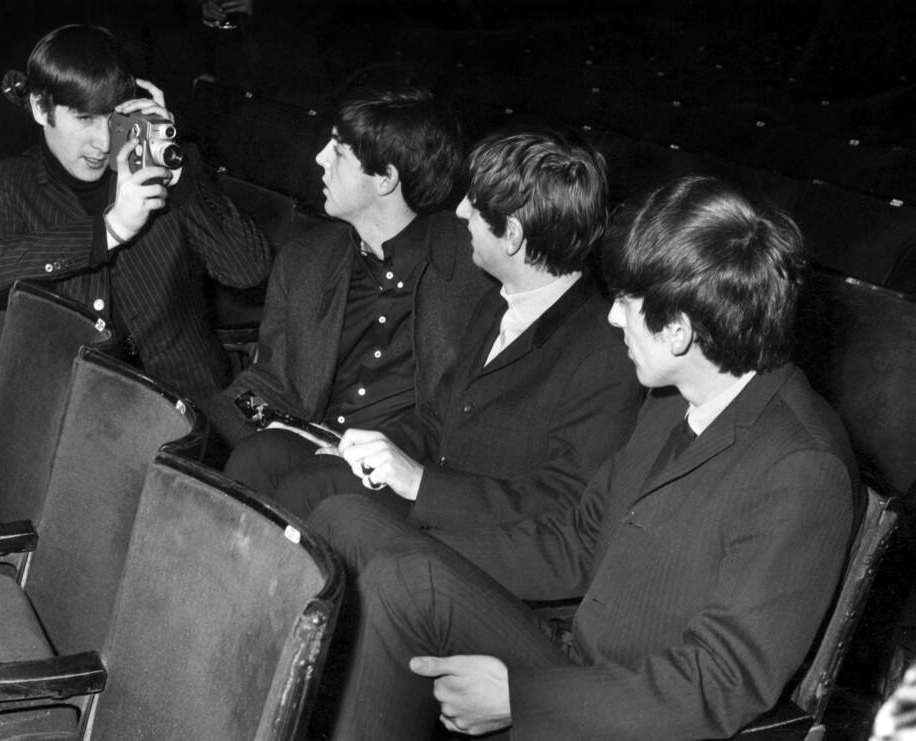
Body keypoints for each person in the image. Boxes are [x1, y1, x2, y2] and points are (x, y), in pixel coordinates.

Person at [307, 175, 861, 740]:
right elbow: (577, 539)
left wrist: (518, 699)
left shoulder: (802, 466)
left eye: (626, 303)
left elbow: (719, 683)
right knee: (347, 521)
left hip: (623, 706)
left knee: (406, 583)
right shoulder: (673, 401)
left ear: (678, 332)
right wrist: (411, 541)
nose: (612, 318)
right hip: (574, 652)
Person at [230, 128, 641, 528]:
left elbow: (561, 506)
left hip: (477, 528)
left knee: (311, 490)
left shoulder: (604, 353)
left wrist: (419, 483)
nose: (459, 212)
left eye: (475, 206)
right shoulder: (497, 302)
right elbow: (435, 417)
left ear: (512, 237)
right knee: (265, 453)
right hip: (433, 487)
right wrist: (358, 448)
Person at [0, 24, 271, 404]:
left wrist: (179, 177)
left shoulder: (161, 170)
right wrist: (109, 231)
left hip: (187, 410)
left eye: (113, 120)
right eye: (85, 119)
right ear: (40, 107)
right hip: (70, 411)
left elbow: (248, 270)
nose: (104, 141)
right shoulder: (8, 181)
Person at [203, 78, 493, 463]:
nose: (320, 158)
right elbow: (268, 383)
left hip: (398, 475)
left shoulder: (477, 269)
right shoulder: (305, 261)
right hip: (298, 453)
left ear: (385, 179)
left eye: (338, 150)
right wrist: (192, 426)